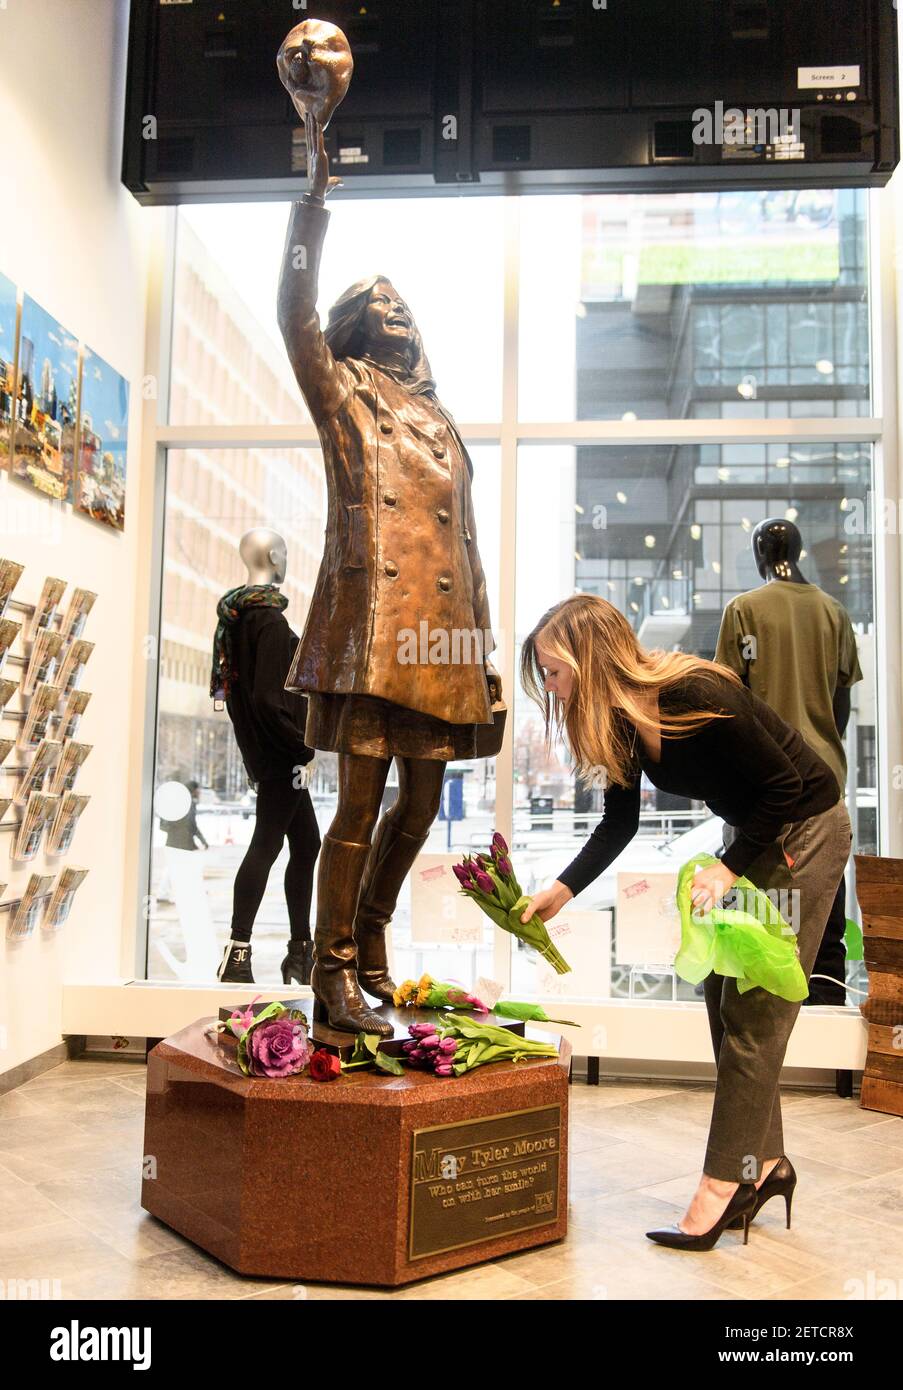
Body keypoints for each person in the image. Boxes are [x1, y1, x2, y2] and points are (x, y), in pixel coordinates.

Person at [519, 593, 852, 1251]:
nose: (550, 688)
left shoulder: (694, 691)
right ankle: (768, 1165)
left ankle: (719, 1187)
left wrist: (727, 868)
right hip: (754, 836)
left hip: (803, 830)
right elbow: (620, 822)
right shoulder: (620, 723)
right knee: (718, 995)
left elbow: (787, 784)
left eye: (554, 671)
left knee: (754, 1014)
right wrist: (560, 890)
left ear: (589, 657)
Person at [275, 112, 501, 1035]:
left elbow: (466, 555)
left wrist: (481, 654)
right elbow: (292, 314)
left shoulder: (438, 419)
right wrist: (311, 206)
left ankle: (368, 945)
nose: (396, 311)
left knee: (421, 803)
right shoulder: (343, 394)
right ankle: (328, 976)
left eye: (404, 303)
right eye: (379, 303)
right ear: (355, 326)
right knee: (359, 806)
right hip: (374, 635)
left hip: (438, 643)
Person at [715, 517, 863, 1004]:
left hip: (758, 787)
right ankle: (825, 1019)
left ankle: (757, 1024)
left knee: (755, 916)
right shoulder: (833, 612)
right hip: (823, 786)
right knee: (824, 915)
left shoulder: (743, 611)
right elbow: (840, 705)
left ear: (760, 554)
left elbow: (728, 703)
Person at [210, 530, 320, 987]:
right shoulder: (269, 621)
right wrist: (301, 747)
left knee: (306, 844)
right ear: (275, 556)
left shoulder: (238, 616)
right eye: (287, 552)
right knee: (266, 844)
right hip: (282, 755)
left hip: (269, 753)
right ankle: (239, 953)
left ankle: (300, 951)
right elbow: (267, 698)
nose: (288, 559)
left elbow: (242, 698)